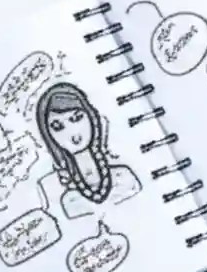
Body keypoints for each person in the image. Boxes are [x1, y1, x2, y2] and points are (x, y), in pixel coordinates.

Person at [35, 83, 141, 219]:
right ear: (48, 135)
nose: (73, 133)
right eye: (58, 127)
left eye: (77, 118)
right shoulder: (68, 200)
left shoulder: (125, 177)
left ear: (91, 118)